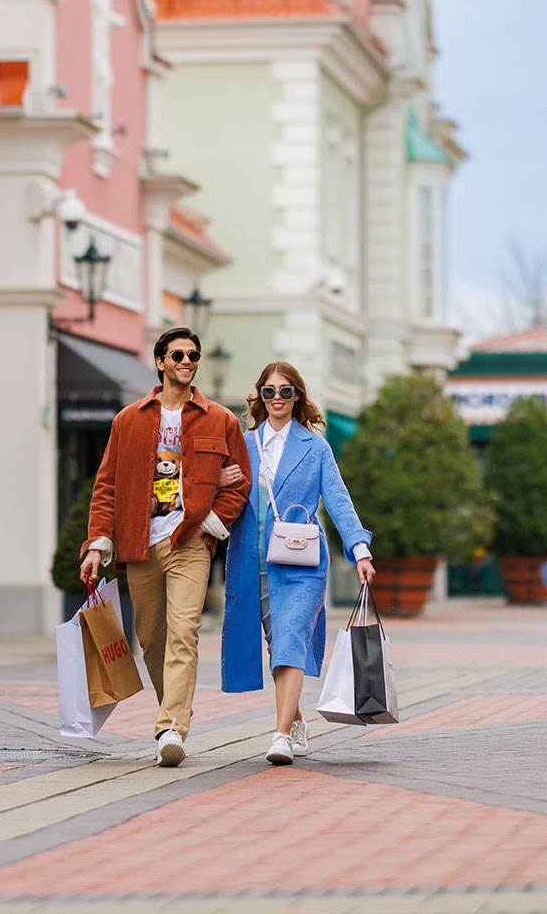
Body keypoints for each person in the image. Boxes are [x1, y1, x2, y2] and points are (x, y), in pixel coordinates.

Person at [79, 327, 251, 767]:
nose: (187, 361)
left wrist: (211, 525)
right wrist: (98, 544)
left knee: (183, 633)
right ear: (160, 361)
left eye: (194, 355)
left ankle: (171, 725)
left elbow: (241, 482)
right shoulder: (129, 420)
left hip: (190, 541)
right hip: (140, 542)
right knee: (151, 640)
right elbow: (107, 486)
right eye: (178, 355)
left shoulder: (220, 420)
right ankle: (174, 706)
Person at [217, 362, 374, 766]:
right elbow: (221, 493)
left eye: (285, 392)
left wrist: (359, 550)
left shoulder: (316, 446)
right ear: (260, 397)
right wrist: (218, 482)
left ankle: (281, 734)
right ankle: (296, 717)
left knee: (289, 639)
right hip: (253, 564)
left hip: (303, 564)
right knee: (275, 646)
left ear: (297, 397)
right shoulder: (245, 444)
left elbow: (338, 500)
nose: (277, 400)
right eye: (269, 392)